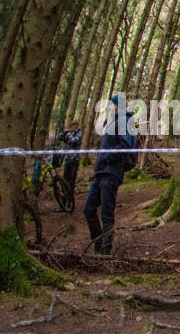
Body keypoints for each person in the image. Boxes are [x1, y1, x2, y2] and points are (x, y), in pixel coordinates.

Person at [84, 94, 138, 256]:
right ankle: (98, 243)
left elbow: (125, 145)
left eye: (111, 104)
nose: (108, 107)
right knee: (88, 209)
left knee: (106, 213)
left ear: (117, 106)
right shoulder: (113, 121)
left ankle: (105, 251)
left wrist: (107, 156)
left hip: (111, 173)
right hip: (101, 172)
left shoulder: (124, 121)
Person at [55, 120, 84, 196]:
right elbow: (60, 137)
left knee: (71, 180)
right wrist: (65, 132)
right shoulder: (69, 134)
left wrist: (68, 134)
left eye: (75, 126)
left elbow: (73, 141)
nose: (73, 128)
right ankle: (64, 198)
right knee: (65, 180)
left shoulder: (79, 133)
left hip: (75, 160)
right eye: (71, 126)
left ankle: (70, 199)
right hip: (67, 160)